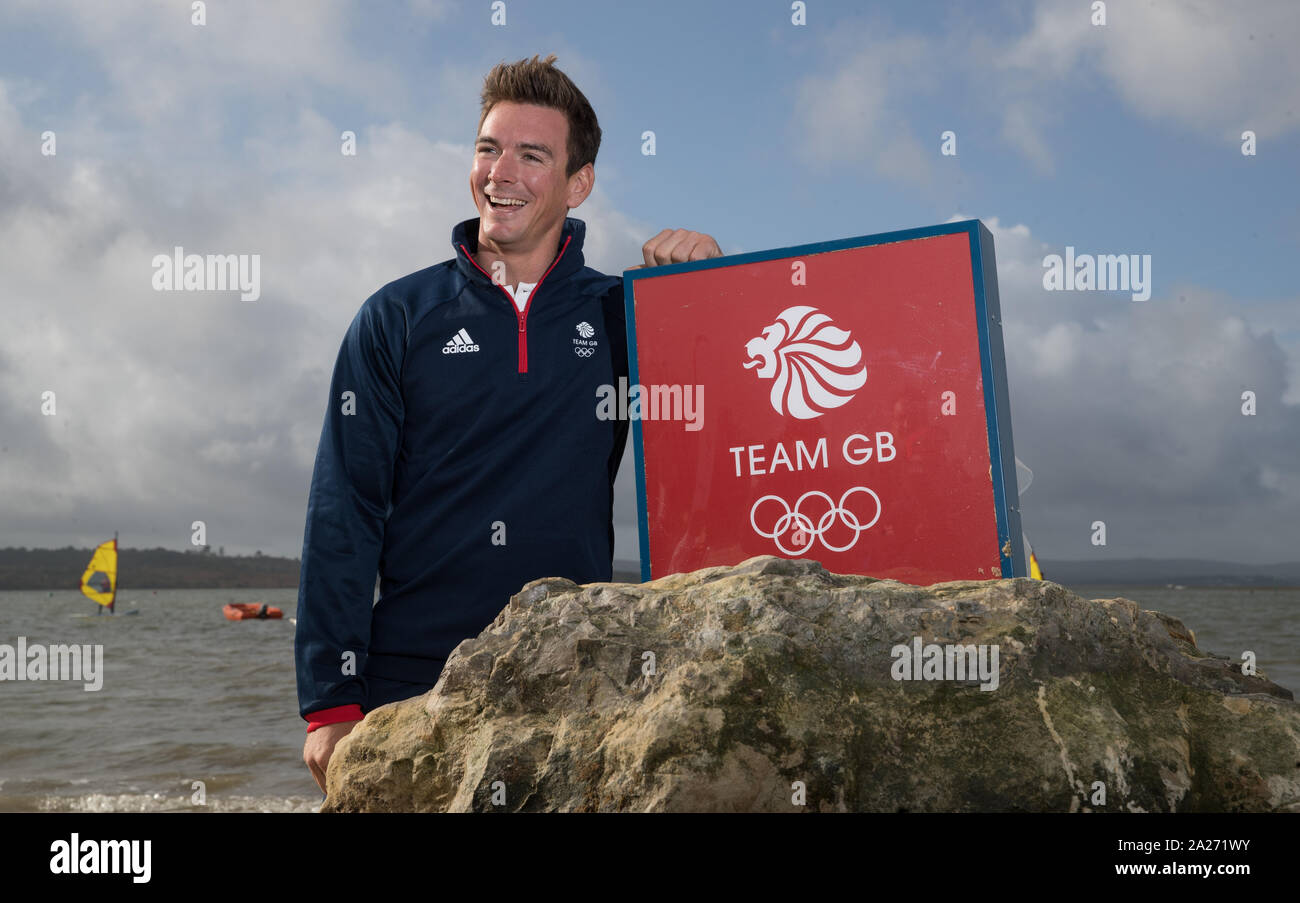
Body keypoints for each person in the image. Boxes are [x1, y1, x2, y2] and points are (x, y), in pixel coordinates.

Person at [296, 53, 722, 793]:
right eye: (489, 148)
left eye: (532, 154)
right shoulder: (396, 318)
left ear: (577, 183)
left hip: (577, 677)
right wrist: (330, 701)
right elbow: (345, 508)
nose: (502, 171)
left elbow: (725, 431)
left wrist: (704, 291)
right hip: (411, 683)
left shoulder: (626, 317)